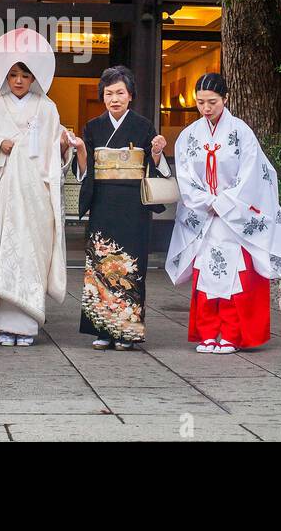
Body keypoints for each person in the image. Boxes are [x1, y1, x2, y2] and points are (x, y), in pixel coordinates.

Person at [165, 73, 281, 355]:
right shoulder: (190, 136)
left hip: (233, 216)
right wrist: (205, 201)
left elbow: (252, 175)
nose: (206, 108)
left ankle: (232, 334)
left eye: (212, 101)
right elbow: (186, 176)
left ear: (225, 99)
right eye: (200, 102)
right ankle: (209, 332)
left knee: (237, 275)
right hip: (205, 214)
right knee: (206, 273)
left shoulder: (241, 132)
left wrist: (223, 203)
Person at [0, 28, 72, 346]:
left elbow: (55, 153)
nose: (18, 81)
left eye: (24, 75)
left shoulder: (48, 108)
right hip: (2, 193)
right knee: (3, 253)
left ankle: (27, 324)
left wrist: (64, 145)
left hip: (34, 196)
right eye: (13, 74)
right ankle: (3, 323)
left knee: (30, 255)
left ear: (33, 79)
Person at [73, 65, 170, 351]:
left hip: (133, 206)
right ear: (102, 97)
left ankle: (126, 331)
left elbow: (153, 168)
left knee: (130, 267)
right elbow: (86, 171)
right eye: (108, 93)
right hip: (103, 202)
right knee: (101, 267)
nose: (114, 99)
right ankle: (103, 330)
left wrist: (155, 151)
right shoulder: (93, 127)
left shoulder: (143, 126)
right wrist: (79, 149)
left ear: (130, 96)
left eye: (120, 93)